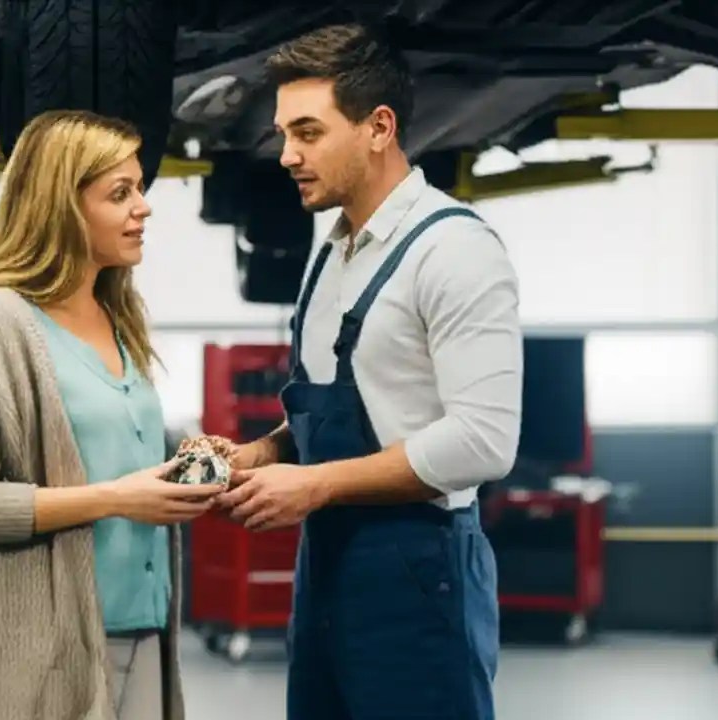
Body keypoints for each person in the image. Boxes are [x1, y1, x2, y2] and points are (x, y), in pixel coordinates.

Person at [216, 23, 522, 720]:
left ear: (379, 127)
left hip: (422, 572)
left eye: (308, 132)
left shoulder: (455, 252)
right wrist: (266, 452)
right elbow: (348, 405)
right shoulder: (329, 253)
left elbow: (483, 442)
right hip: (325, 564)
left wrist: (316, 484)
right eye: (283, 133)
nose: (287, 154)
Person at [0, 109, 222, 720]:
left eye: (140, 188)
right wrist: (113, 499)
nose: (143, 207)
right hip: (52, 658)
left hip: (148, 634)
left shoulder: (118, 316)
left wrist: (186, 469)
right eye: (120, 193)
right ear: (61, 205)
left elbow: (115, 464)